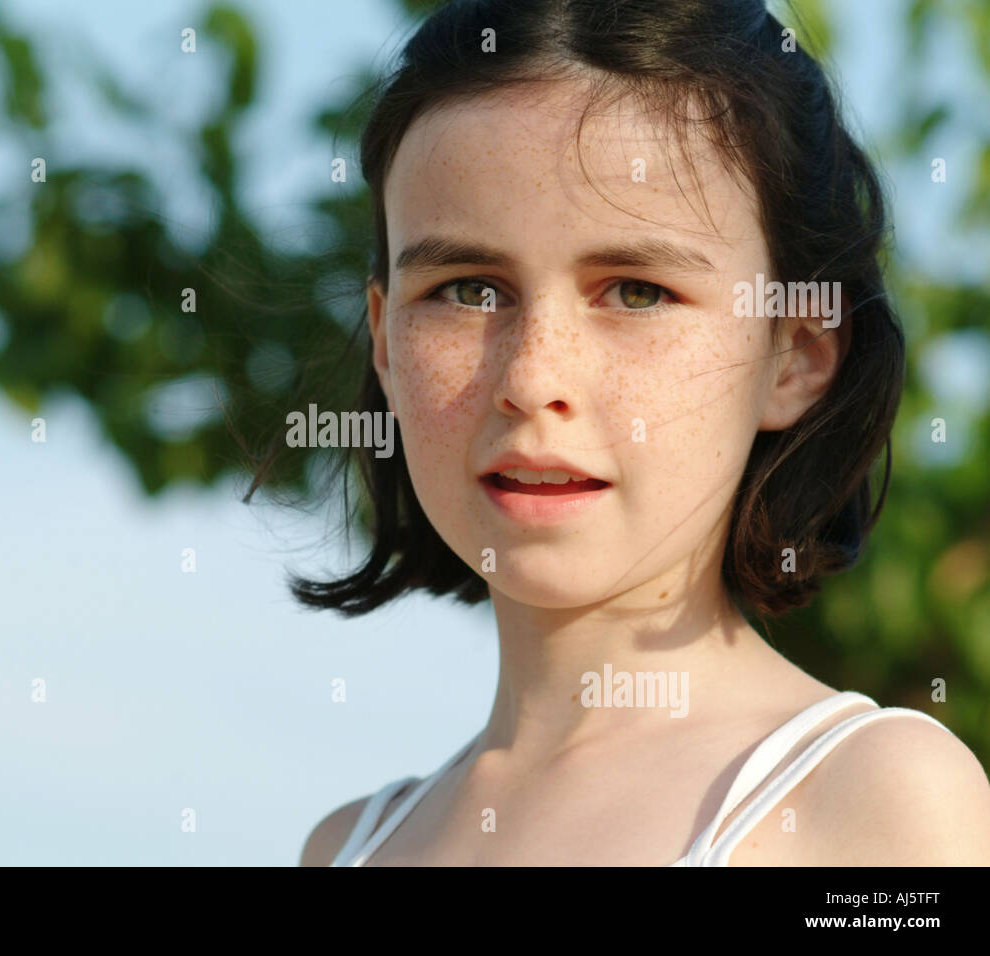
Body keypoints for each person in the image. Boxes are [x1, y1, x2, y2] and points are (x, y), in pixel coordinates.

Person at [262, 0, 990, 865]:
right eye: (468, 289)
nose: (533, 380)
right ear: (384, 340)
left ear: (793, 354)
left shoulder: (871, 804)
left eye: (636, 291)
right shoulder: (346, 848)